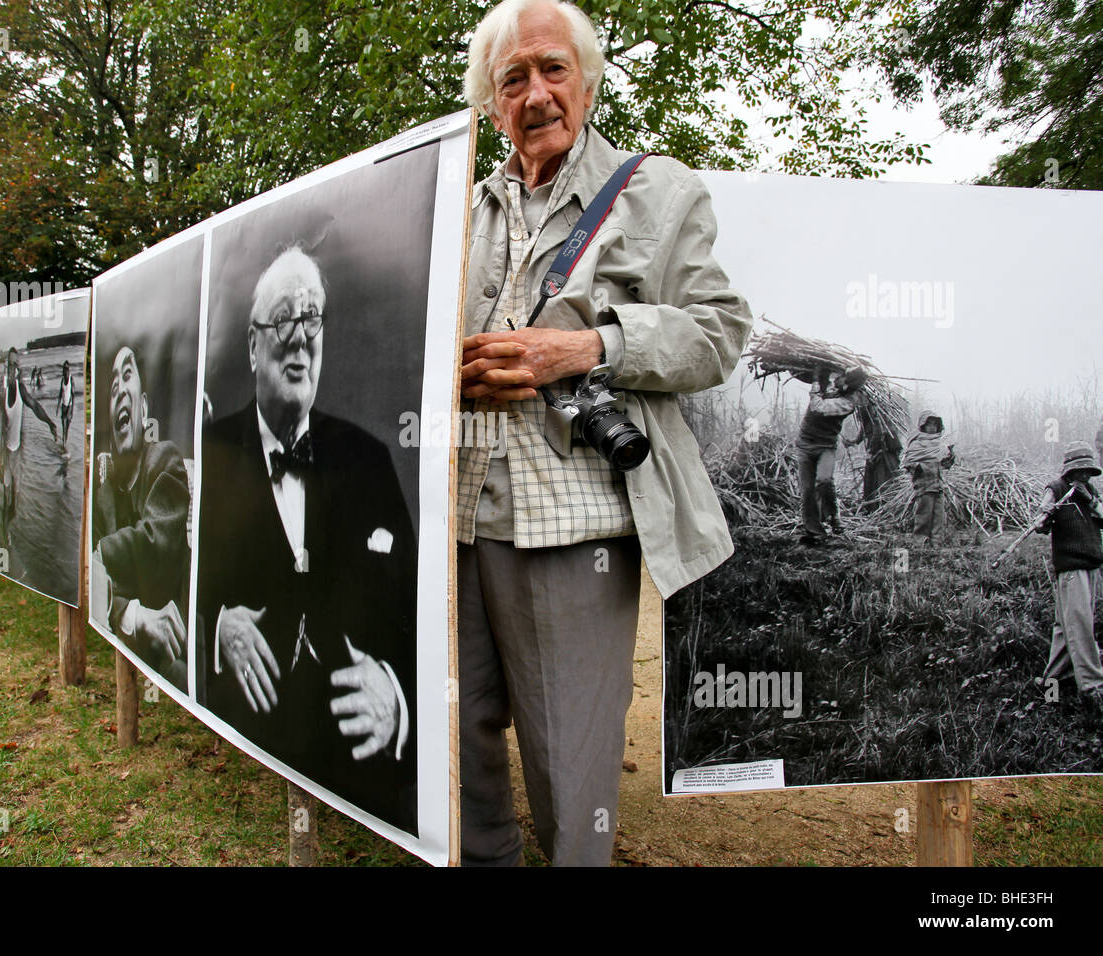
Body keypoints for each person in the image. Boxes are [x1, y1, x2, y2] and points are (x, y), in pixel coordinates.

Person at [457, 0, 752, 865]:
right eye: (513, 78)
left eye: (554, 70)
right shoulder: (464, 208)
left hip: (572, 523)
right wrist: (453, 372)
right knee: (459, 727)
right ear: (491, 99)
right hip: (460, 510)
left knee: (567, 756)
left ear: (587, 82)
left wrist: (589, 346)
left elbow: (720, 333)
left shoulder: (660, 191)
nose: (536, 92)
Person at [196, 247, 418, 833]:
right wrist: (216, 627)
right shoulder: (206, 456)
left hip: (366, 786)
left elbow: (418, 608)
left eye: (311, 318)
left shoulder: (370, 460)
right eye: (283, 320)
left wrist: (399, 700)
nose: (299, 339)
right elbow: (173, 586)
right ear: (252, 344)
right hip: (238, 779)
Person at [91, 346, 191, 692]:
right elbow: (104, 588)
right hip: (134, 644)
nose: (118, 387)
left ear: (143, 408)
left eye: (127, 375)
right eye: (112, 382)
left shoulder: (165, 459)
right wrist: (131, 614)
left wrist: (99, 553)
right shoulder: (104, 494)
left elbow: (154, 542)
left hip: (178, 647)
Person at [1034, 441, 1103, 709]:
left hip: (1091, 564)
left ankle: (1053, 682)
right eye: (1079, 471)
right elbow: (1040, 521)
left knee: (1066, 627)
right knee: (1081, 625)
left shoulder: (1090, 493)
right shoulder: (1057, 489)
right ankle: (1093, 687)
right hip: (1071, 566)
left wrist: (1090, 499)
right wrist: (1045, 517)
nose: (1083, 476)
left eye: (1087, 471)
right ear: (1068, 471)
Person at [793, 367, 865, 544]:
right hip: (805, 444)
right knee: (807, 490)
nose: (837, 379)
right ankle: (815, 531)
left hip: (826, 446)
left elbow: (818, 408)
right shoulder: (832, 388)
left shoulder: (848, 402)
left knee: (824, 481)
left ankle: (833, 515)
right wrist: (818, 373)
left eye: (841, 378)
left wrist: (817, 380)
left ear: (847, 384)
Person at [0, 348, 60, 526]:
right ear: (5, 366)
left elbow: (34, 405)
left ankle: (9, 524)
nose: (13, 368)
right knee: (6, 489)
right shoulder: (0, 388)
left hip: (16, 448)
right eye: (10, 364)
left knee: (15, 492)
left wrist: (50, 423)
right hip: (1, 451)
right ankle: (4, 528)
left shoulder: (20, 387)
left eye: (16, 364)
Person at [900, 409, 955, 542]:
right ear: (923, 425)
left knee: (939, 515)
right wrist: (918, 468)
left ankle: (937, 541)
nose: (932, 427)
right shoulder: (916, 443)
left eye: (935, 425)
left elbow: (945, 465)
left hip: (938, 484)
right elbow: (908, 461)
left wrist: (950, 457)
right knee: (923, 514)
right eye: (929, 424)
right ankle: (921, 541)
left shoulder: (939, 445)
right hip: (923, 485)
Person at [857, 405, 902, 512]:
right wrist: (852, 442)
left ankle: (884, 507)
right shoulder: (866, 415)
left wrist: (871, 450)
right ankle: (873, 507)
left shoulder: (875, 413)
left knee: (883, 481)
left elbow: (878, 432)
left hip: (884, 453)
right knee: (873, 481)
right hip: (875, 453)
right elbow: (864, 431)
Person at [57, 360, 76, 448]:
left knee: (67, 427)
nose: (65, 370)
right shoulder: (62, 379)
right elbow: (60, 394)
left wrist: (71, 410)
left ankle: (65, 443)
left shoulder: (71, 379)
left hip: (69, 406)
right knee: (63, 426)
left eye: (67, 368)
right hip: (63, 406)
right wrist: (57, 407)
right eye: (64, 368)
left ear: (69, 369)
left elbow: (73, 395)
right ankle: (64, 444)